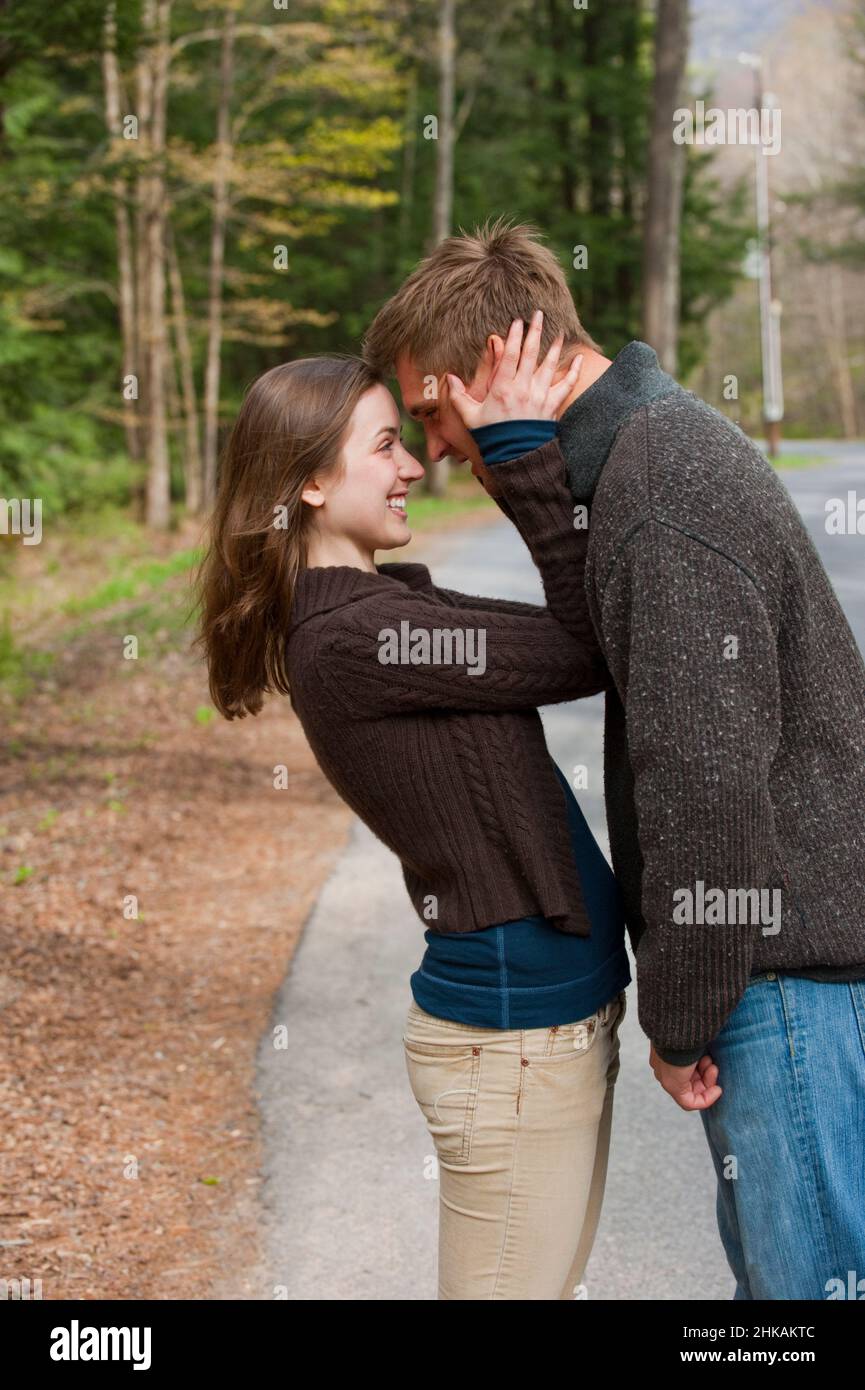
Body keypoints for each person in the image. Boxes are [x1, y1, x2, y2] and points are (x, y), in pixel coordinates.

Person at [362, 217, 865, 1301]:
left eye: (433, 409)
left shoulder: (659, 487)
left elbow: (708, 780)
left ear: (494, 364)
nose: (434, 446)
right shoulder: (643, 458)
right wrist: (525, 465)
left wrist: (680, 1013)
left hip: (784, 976)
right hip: (783, 967)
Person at [194, 342, 631, 1300]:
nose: (412, 465)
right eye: (386, 445)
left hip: (540, 1030)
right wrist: (518, 453)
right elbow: (582, 650)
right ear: (310, 482)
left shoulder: (388, 607)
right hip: (512, 1043)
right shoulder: (361, 636)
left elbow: (577, 638)